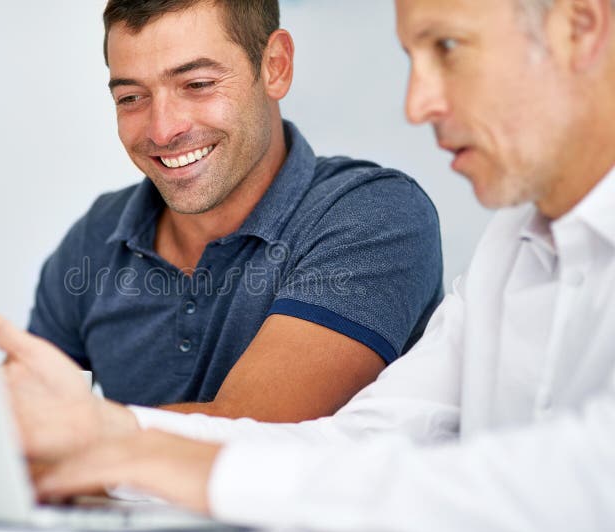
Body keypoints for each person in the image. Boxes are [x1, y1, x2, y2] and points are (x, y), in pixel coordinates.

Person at [0, 0, 615, 531]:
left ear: (580, 28)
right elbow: (360, 441)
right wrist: (103, 435)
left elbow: (556, 484)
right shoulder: (510, 249)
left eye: (448, 48)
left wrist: (109, 441)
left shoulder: (367, 212)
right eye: (131, 95)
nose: (416, 104)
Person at [26, 0, 443, 422]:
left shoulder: (374, 216)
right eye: (132, 97)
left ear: (275, 67)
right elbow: (18, 426)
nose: (162, 129)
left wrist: (73, 434)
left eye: (198, 84)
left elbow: (249, 430)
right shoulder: (97, 235)